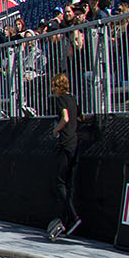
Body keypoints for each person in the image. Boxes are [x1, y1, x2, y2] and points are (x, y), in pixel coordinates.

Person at [47, 73, 81, 240]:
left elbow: (65, 117)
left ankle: (73, 217)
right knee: (69, 183)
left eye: (53, 86)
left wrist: (56, 130)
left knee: (60, 182)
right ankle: (68, 219)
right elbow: (79, 116)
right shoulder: (73, 99)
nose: (52, 90)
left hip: (66, 143)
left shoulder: (61, 100)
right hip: (75, 143)